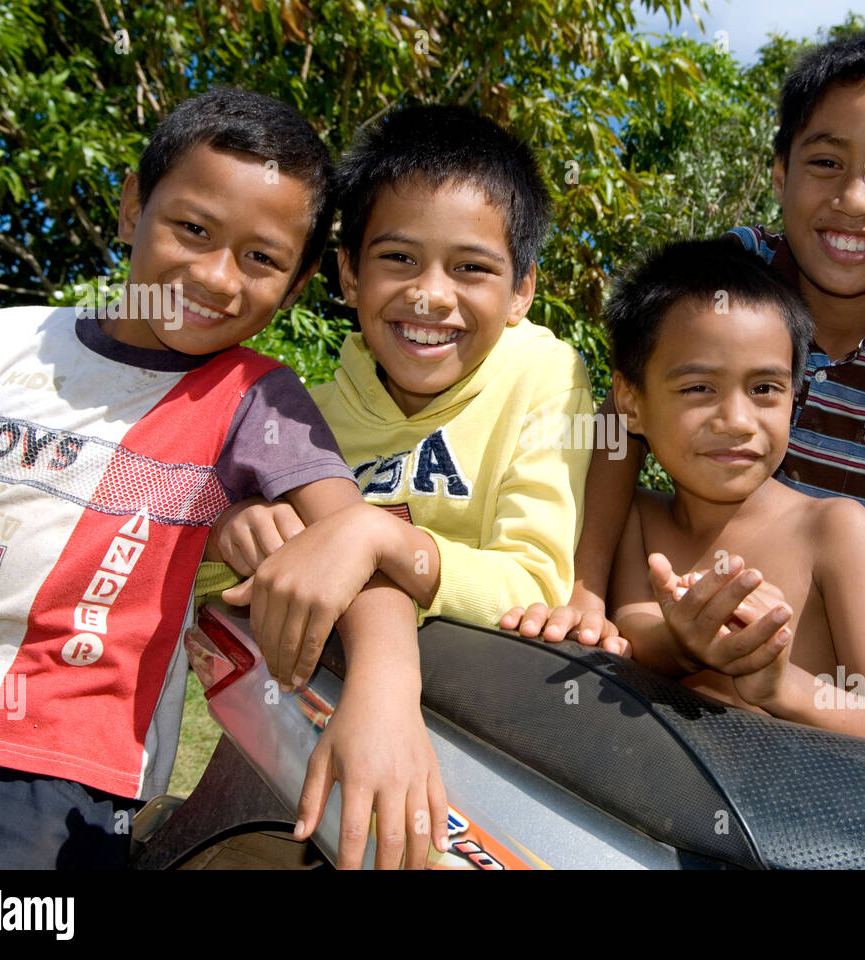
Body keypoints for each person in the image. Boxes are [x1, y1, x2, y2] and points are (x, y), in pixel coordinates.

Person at [505, 29, 865, 772]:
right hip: (708, 686)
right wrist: (586, 594)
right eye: (826, 163)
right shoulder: (736, 273)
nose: (854, 200)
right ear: (781, 171)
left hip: (864, 699)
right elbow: (620, 423)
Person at [0, 88, 445, 869]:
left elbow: (359, 547)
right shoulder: (2, 342)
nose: (215, 275)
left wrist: (384, 697)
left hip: (59, 776)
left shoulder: (256, 400)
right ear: (135, 208)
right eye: (192, 229)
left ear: (297, 285)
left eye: (261, 258)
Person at [207, 102, 595, 820]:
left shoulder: (545, 373)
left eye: (472, 268)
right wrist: (234, 526)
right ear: (348, 276)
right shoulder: (299, 410)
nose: (429, 294)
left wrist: (373, 534)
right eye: (398, 258)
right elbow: (190, 566)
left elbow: (535, 581)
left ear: (522, 293)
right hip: (294, 724)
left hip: (479, 733)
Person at [600, 240, 865, 745]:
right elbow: (632, 626)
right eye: (698, 388)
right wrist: (686, 641)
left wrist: (781, 686)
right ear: (631, 402)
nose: (737, 422)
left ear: (795, 398)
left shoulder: (834, 530)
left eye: (765, 389)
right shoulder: (637, 517)